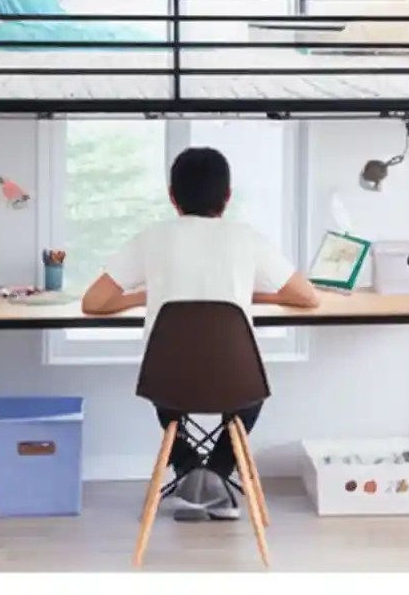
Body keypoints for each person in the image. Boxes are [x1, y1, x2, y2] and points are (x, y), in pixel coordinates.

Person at [81, 146, 319, 521]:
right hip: (237, 380)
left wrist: (146, 294)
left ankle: (191, 474)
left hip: (168, 380)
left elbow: (94, 301)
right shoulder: (246, 237)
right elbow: (307, 297)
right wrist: (251, 294)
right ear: (227, 196)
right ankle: (218, 477)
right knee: (249, 399)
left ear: (172, 197)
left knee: (167, 400)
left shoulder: (152, 237)